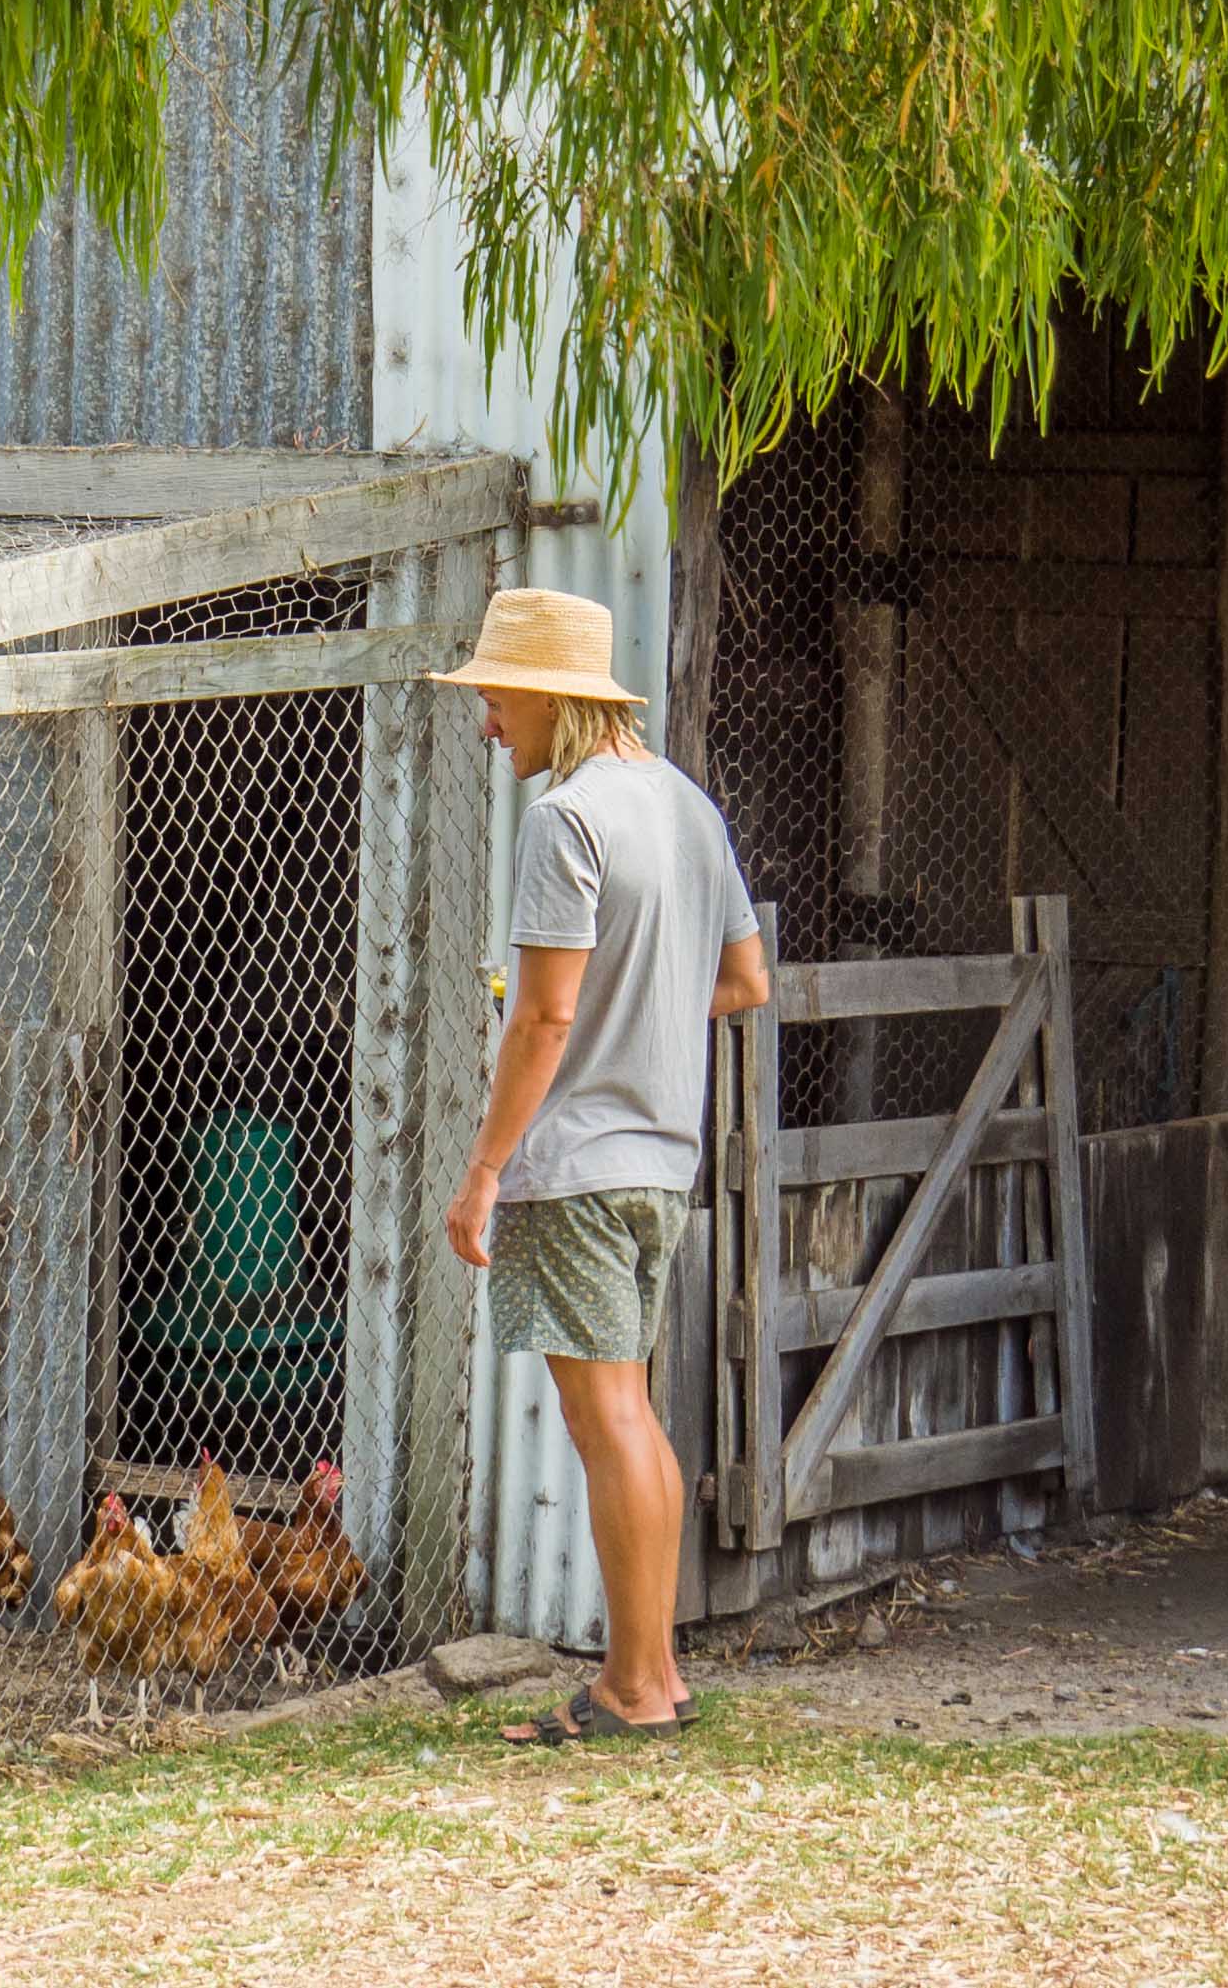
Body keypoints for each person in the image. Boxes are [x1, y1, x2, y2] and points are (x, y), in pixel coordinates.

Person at [430, 586, 768, 1746]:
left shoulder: (564, 818)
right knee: (634, 1414)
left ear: (546, 694)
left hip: (574, 1163)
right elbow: (744, 980)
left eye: (494, 700)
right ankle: (656, 1674)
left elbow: (542, 1019)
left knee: (608, 1417)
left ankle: (631, 1684)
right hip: (660, 1163)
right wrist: (647, 1009)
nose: (487, 726)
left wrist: (482, 1171)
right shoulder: (686, 805)